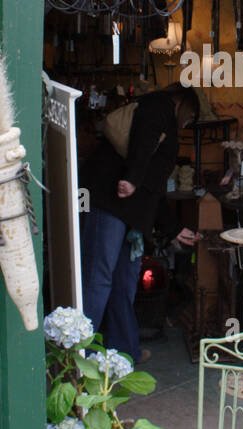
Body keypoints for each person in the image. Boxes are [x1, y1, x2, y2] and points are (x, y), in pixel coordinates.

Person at [80, 83, 200, 362]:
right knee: (98, 280)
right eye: (192, 115)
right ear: (182, 102)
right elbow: (143, 140)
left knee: (123, 282)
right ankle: (77, 355)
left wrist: (173, 228)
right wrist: (132, 178)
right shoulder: (159, 106)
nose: (189, 122)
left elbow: (154, 188)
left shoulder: (164, 118)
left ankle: (124, 350)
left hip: (127, 214)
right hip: (108, 203)